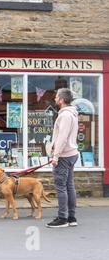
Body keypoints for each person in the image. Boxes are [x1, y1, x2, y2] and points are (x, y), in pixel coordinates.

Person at [46, 88, 79, 228]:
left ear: (62, 100)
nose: (54, 99)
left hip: (64, 156)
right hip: (72, 154)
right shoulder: (72, 113)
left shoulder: (65, 115)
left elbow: (62, 138)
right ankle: (71, 217)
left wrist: (56, 156)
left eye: (56, 97)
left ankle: (62, 218)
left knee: (61, 187)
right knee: (69, 186)